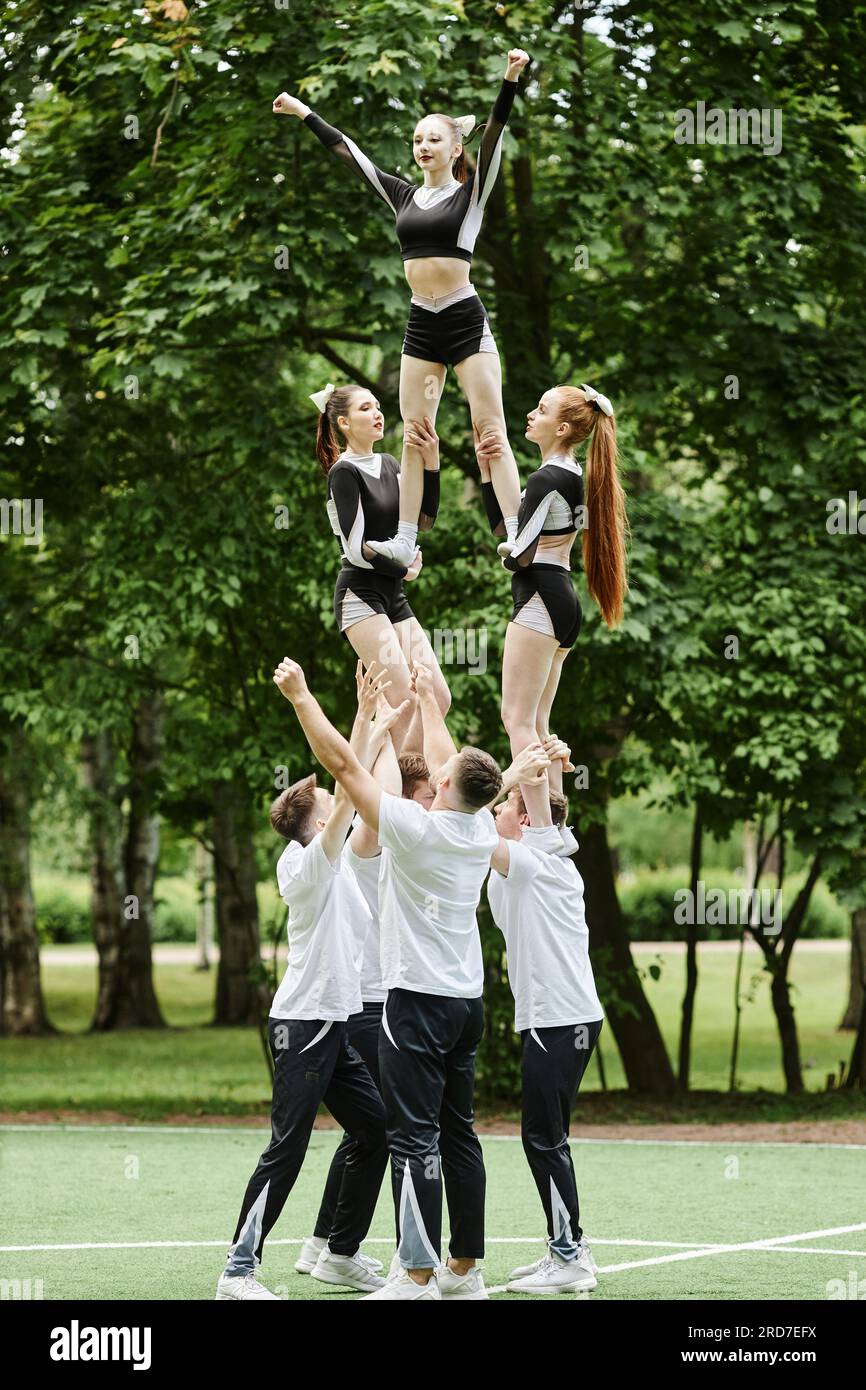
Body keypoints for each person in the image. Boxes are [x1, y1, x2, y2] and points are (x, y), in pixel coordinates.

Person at [271, 652, 550, 1301]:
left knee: (415, 1137)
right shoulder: (479, 826)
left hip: (416, 1007)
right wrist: (422, 703)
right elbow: (465, 766)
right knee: (461, 1135)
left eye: (443, 769)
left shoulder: (417, 830)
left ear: (446, 787)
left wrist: (302, 697)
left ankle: (418, 1275)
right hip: (467, 1007)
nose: (439, 766)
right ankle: (465, 1271)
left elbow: (342, 765)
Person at [273, 48, 532, 566]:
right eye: (416, 139)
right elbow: (352, 155)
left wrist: (509, 78)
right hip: (422, 322)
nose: (423, 146)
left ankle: (519, 530)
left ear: (456, 147)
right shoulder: (403, 196)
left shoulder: (472, 193)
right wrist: (305, 113)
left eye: (433, 138)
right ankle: (407, 537)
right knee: (416, 433)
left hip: (462, 317)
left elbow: (496, 133)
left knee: (491, 430)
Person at [215, 665, 405, 1300]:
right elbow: (346, 785)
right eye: (327, 805)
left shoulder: (331, 857)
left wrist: (364, 716)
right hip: (303, 1024)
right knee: (286, 1149)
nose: (336, 798)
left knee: (374, 1131)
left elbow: (341, 778)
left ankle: (341, 1252)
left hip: (335, 1025)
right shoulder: (303, 864)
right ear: (314, 822)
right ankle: (237, 1271)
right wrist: (313, 705)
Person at [294, 748, 433, 1278]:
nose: (427, 808)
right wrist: (376, 729)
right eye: (420, 799)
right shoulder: (369, 842)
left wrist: (400, 714)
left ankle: (324, 1242)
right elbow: (373, 785)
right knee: (383, 1131)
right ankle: (349, 1251)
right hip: (370, 1007)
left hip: (375, 1003)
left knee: (365, 1131)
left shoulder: (408, 844)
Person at [475, 383, 627, 826]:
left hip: (540, 596)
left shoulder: (548, 478)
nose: (530, 415)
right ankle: (556, 825)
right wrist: (489, 472)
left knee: (517, 719)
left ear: (561, 428)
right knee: (538, 724)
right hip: (560, 600)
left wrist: (507, 554)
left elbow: (518, 552)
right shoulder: (569, 473)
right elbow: (507, 526)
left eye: (540, 410)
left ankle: (542, 828)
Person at [486, 735, 604, 1295]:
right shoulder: (546, 851)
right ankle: (565, 1246)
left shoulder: (535, 861)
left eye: (504, 807)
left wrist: (515, 774)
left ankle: (569, 1254)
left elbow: (460, 826)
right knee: (546, 1136)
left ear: (526, 823)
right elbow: (543, 810)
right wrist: (546, 756)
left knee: (543, 1137)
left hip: (560, 1019)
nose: (498, 810)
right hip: (557, 1017)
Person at [312, 381, 450, 752]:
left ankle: (402, 786)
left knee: (438, 696)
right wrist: (402, 570)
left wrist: (432, 464)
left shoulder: (389, 464)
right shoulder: (343, 473)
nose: (377, 414)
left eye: (377, 406)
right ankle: (398, 799)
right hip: (360, 595)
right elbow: (357, 550)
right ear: (343, 422)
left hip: (393, 594)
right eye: (365, 409)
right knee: (405, 703)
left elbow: (423, 519)